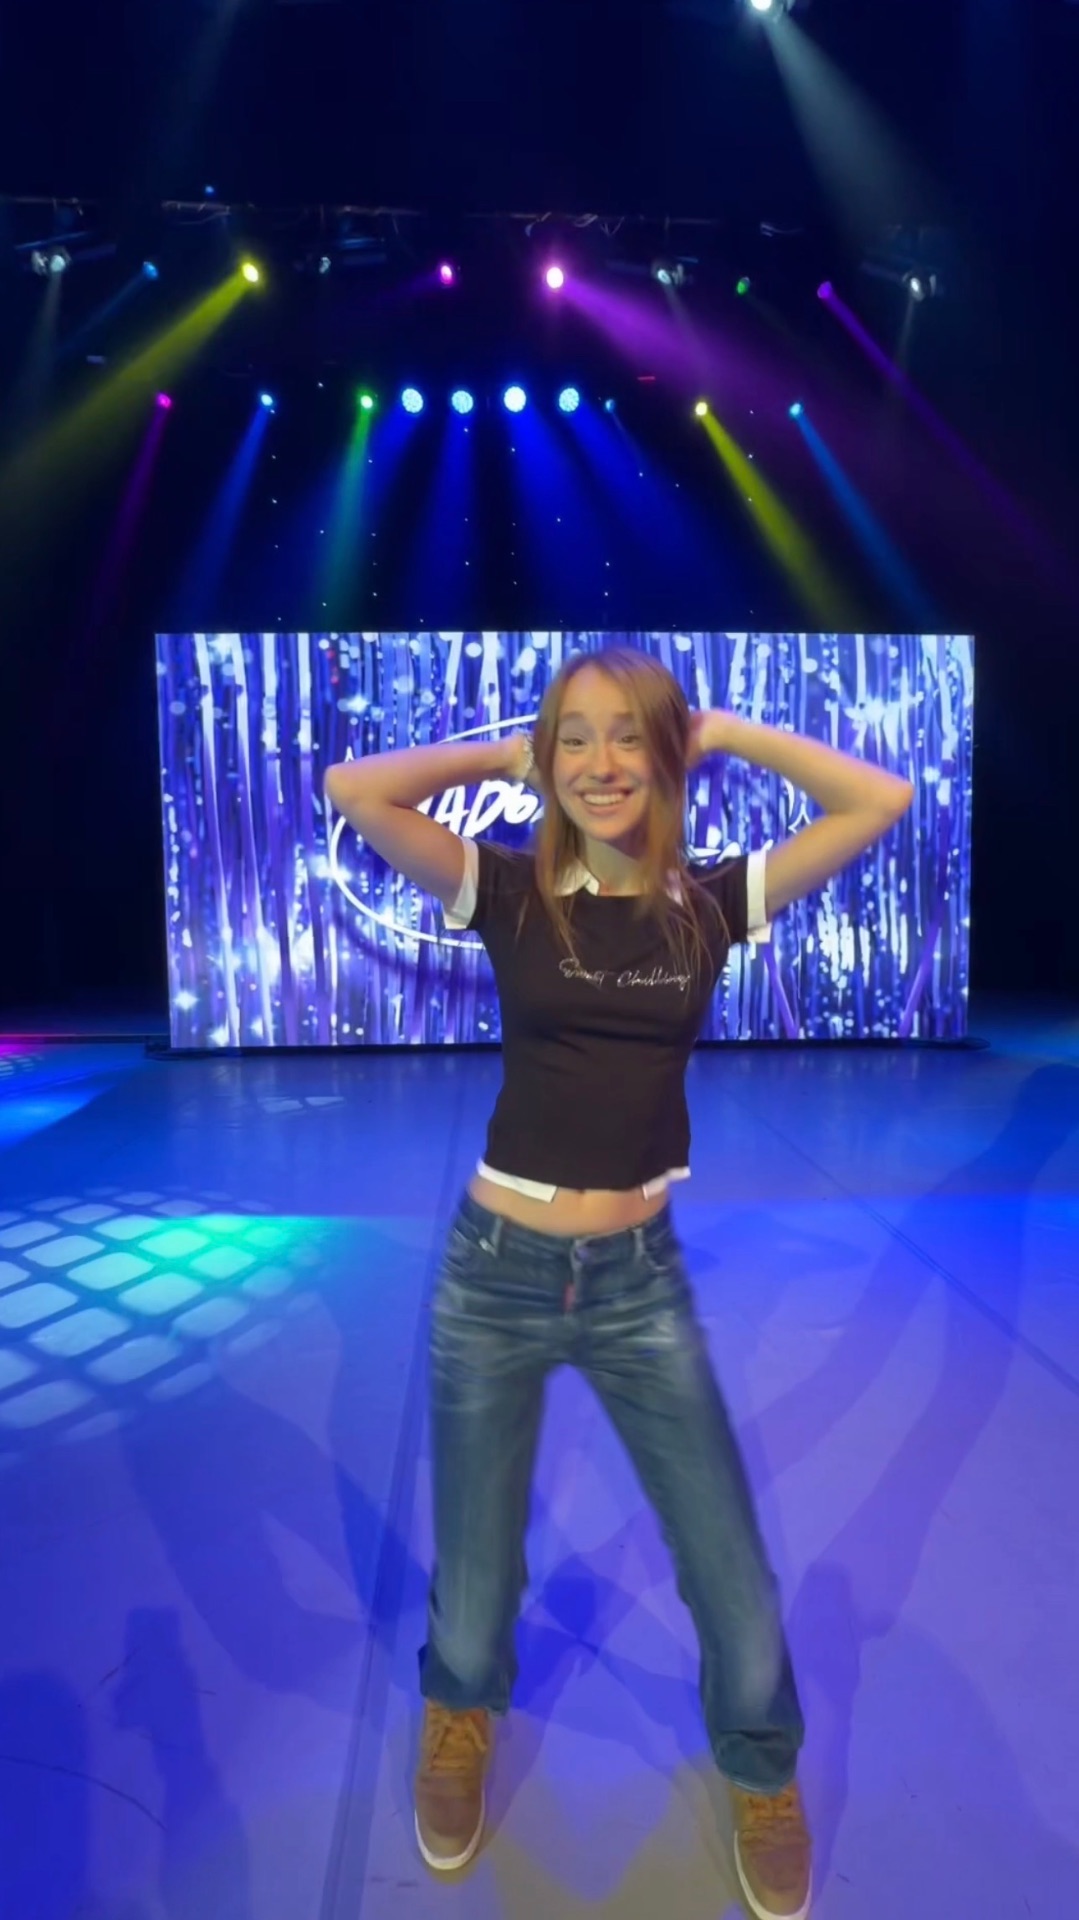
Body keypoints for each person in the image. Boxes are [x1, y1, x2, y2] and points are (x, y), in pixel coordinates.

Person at [324, 645, 913, 1920]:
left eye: (626, 737)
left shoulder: (710, 903)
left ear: (664, 754)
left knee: (728, 1566)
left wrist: (730, 731)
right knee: (476, 1572)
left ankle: (760, 1771)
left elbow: (881, 802)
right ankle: (458, 1713)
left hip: (639, 1280)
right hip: (495, 1275)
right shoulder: (507, 891)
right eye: (574, 739)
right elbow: (353, 789)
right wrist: (508, 751)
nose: (599, 764)